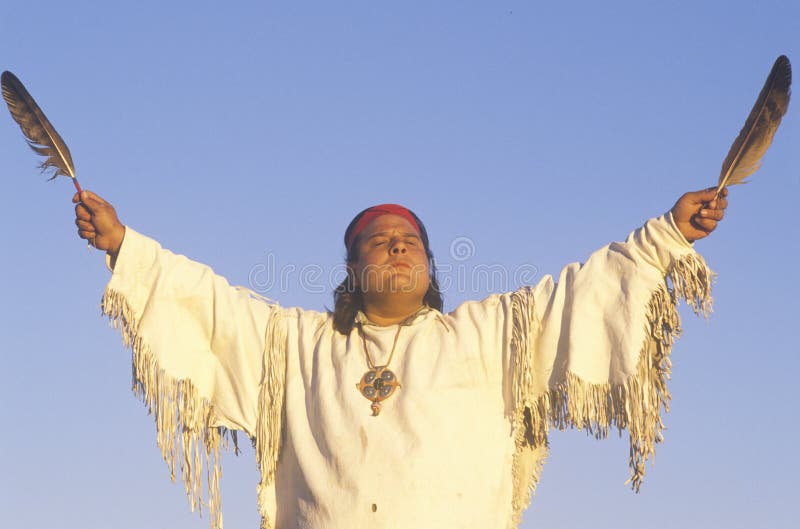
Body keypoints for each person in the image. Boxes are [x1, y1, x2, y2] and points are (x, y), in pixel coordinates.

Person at [73, 188, 727, 529]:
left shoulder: (491, 333)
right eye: (378, 241)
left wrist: (665, 234)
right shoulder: (293, 345)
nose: (396, 247)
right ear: (351, 269)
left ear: (429, 264)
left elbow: (581, 292)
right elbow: (207, 304)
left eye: (409, 239)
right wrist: (125, 246)